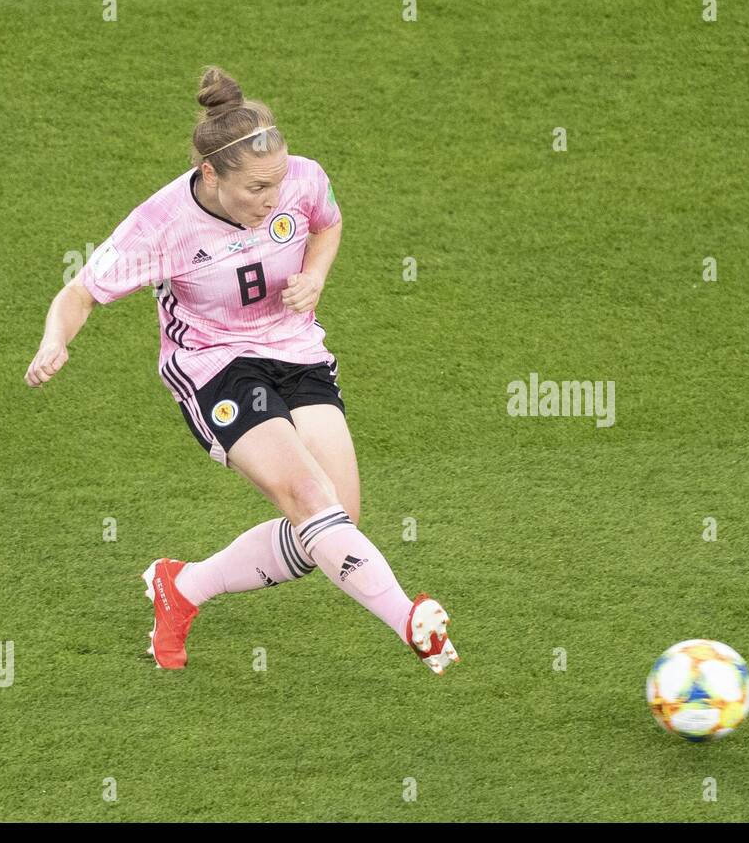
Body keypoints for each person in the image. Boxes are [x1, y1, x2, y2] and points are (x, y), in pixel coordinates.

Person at [23, 66, 459, 675]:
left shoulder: (300, 179)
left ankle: (184, 589)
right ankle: (410, 624)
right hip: (215, 364)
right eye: (257, 188)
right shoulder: (161, 224)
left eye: (278, 182)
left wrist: (316, 276)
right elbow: (79, 294)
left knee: (335, 528)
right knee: (309, 499)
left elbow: (326, 224)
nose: (275, 198)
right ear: (210, 175)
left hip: (297, 350)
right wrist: (53, 342)